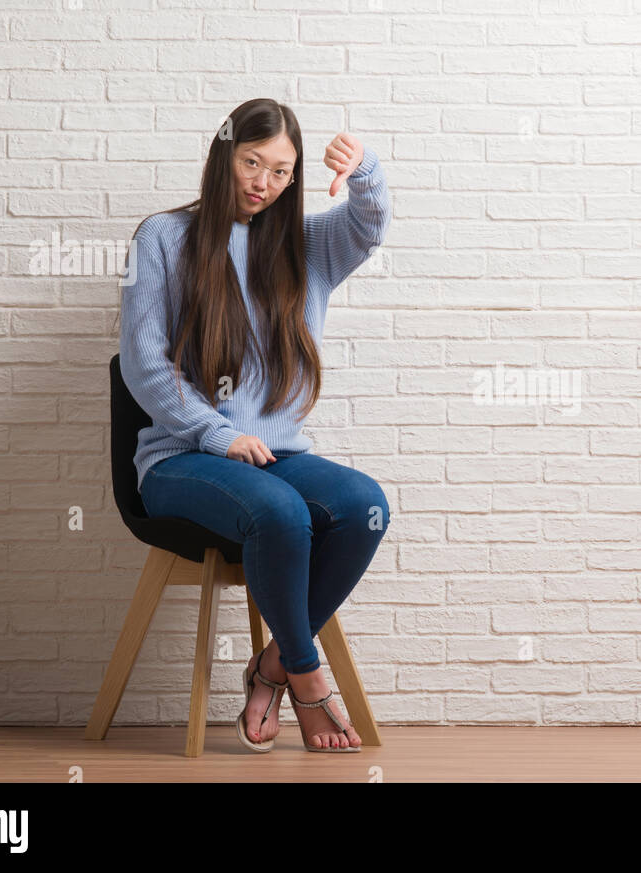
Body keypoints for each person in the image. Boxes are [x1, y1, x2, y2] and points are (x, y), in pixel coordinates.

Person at [115, 98, 392, 752]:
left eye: (280, 171)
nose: (262, 182)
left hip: (277, 451)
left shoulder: (307, 245)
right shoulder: (162, 237)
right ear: (224, 155)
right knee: (281, 514)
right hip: (182, 457)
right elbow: (142, 362)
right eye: (251, 162)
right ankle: (304, 674)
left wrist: (364, 169)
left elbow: (370, 223)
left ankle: (269, 664)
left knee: (365, 506)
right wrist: (217, 433)